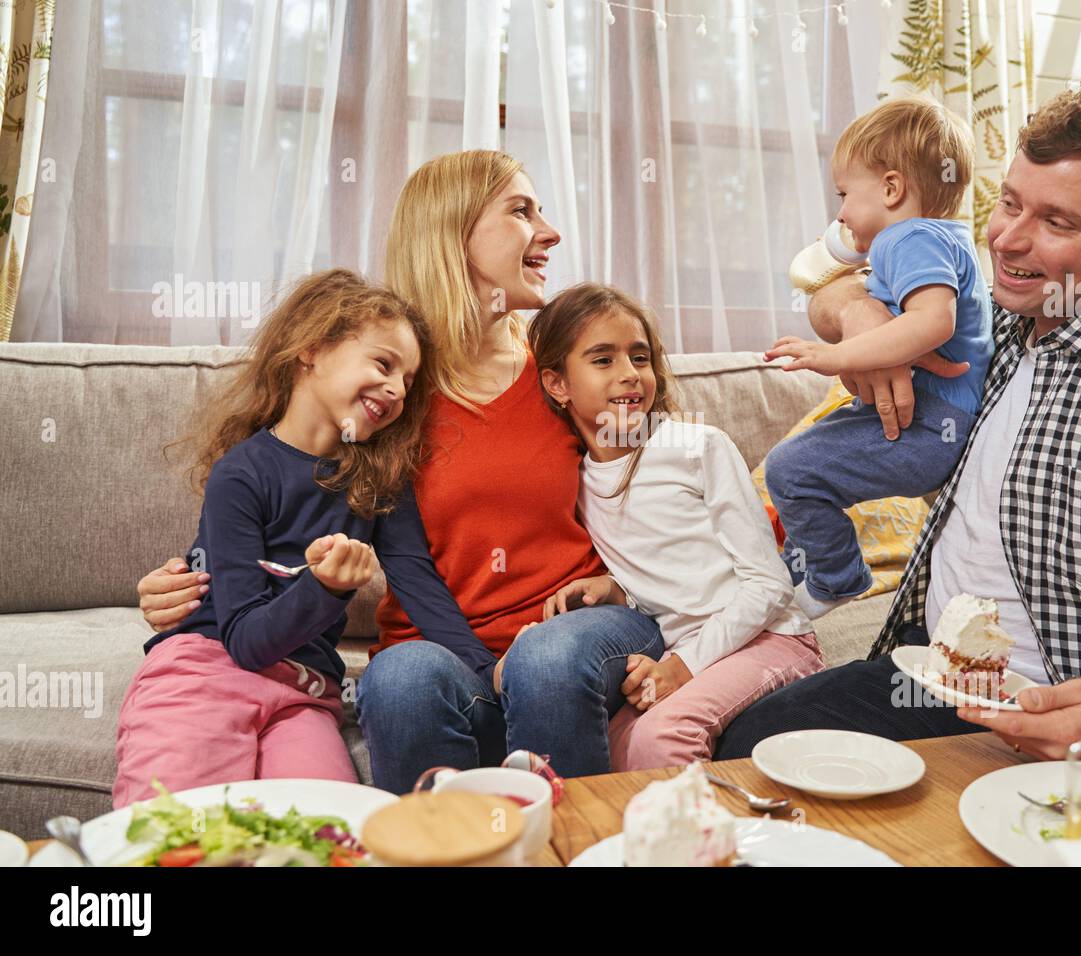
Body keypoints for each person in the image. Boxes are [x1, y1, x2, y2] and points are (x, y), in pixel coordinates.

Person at [716, 75, 1081, 784]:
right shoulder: (995, 323)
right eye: (1010, 202)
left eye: (1057, 223)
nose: (1008, 240)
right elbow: (835, 283)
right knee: (749, 747)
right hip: (937, 681)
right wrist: (861, 317)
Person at [135, 152, 666, 790]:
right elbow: (287, 486)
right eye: (522, 211)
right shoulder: (383, 394)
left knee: (545, 658)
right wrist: (193, 580)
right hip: (445, 657)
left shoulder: (568, 368)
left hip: (573, 636)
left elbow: (668, 487)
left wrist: (626, 584)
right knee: (398, 683)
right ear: (452, 231)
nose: (549, 233)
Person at [113, 269, 472, 805]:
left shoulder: (380, 483)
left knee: (325, 827)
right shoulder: (241, 475)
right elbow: (246, 641)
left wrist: (490, 674)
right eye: (383, 363)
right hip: (208, 667)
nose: (397, 389)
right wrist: (323, 589)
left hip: (305, 692)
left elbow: (421, 587)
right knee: (176, 827)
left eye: (409, 380)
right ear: (312, 350)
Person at [525, 282, 825, 771]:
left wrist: (681, 668)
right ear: (558, 384)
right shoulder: (574, 480)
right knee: (616, 748)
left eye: (639, 358)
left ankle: (711, 847)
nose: (629, 375)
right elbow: (676, 575)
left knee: (662, 737)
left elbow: (769, 586)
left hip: (773, 641)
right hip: (691, 651)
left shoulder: (697, 447)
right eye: (603, 360)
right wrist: (616, 589)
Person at [765, 97, 993, 621]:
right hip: (933, 421)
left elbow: (933, 321)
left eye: (845, 194)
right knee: (801, 464)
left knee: (791, 470)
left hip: (933, 423)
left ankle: (837, 578)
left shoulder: (907, 238)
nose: (840, 213)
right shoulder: (938, 238)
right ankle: (798, 572)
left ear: (892, 189)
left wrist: (835, 355)